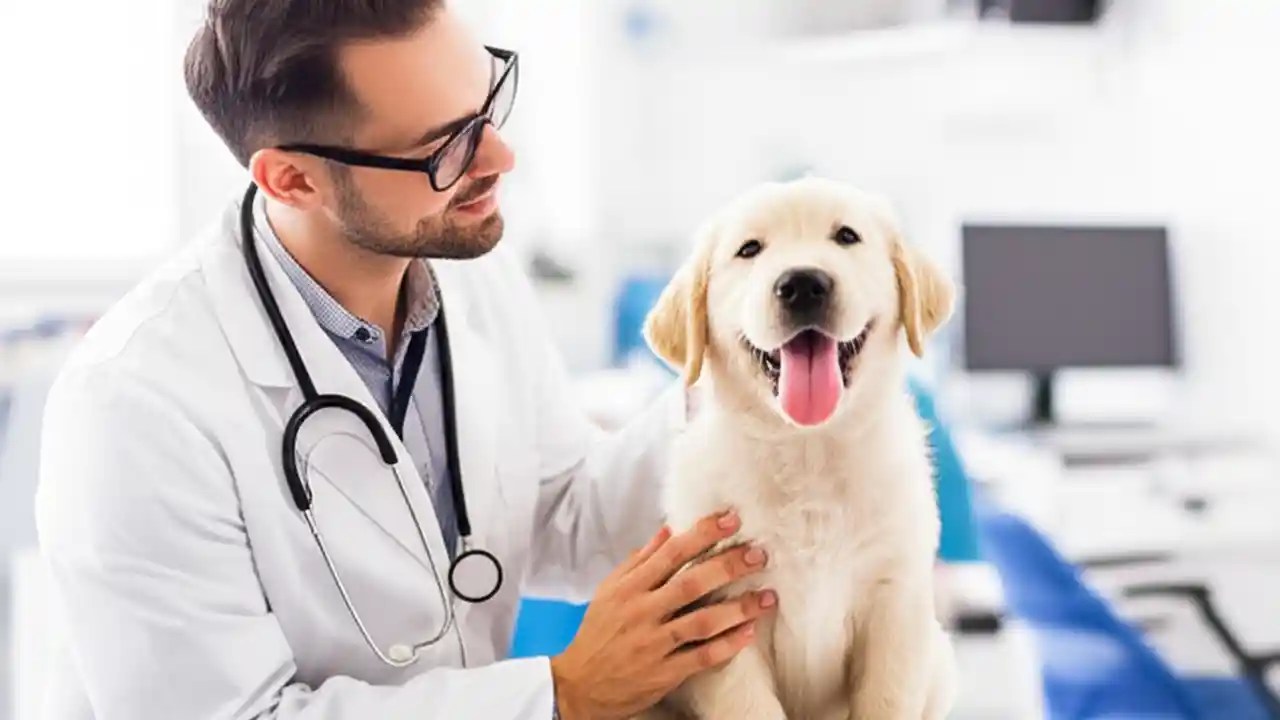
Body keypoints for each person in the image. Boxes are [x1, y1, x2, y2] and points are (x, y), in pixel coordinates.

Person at [32, 1, 777, 718]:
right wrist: (560, 696)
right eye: (445, 147)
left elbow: (565, 522)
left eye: (489, 101)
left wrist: (722, 373)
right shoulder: (135, 403)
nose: (500, 157)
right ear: (292, 179)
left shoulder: (472, 275)